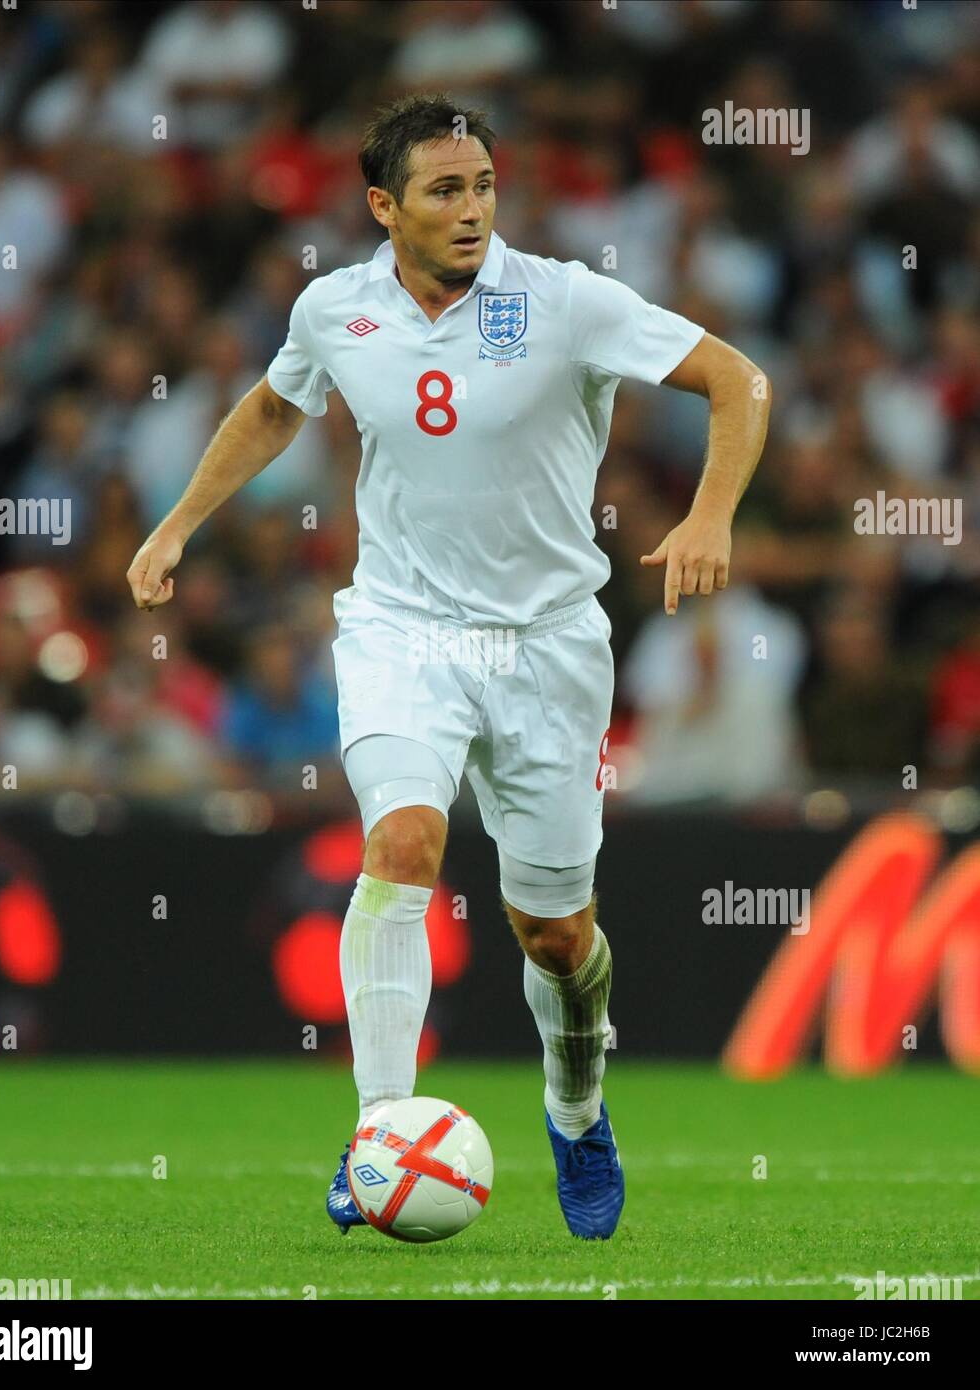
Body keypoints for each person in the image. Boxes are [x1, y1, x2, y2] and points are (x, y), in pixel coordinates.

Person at [126, 93, 771, 1240]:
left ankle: (576, 1105)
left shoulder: (564, 300)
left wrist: (713, 512)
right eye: (443, 190)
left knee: (556, 937)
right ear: (384, 207)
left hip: (547, 646)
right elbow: (275, 410)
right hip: (402, 630)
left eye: (481, 186)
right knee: (402, 845)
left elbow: (737, 378)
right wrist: (178, 523)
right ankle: (379, 1128)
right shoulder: (335, 309)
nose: (472, 209)